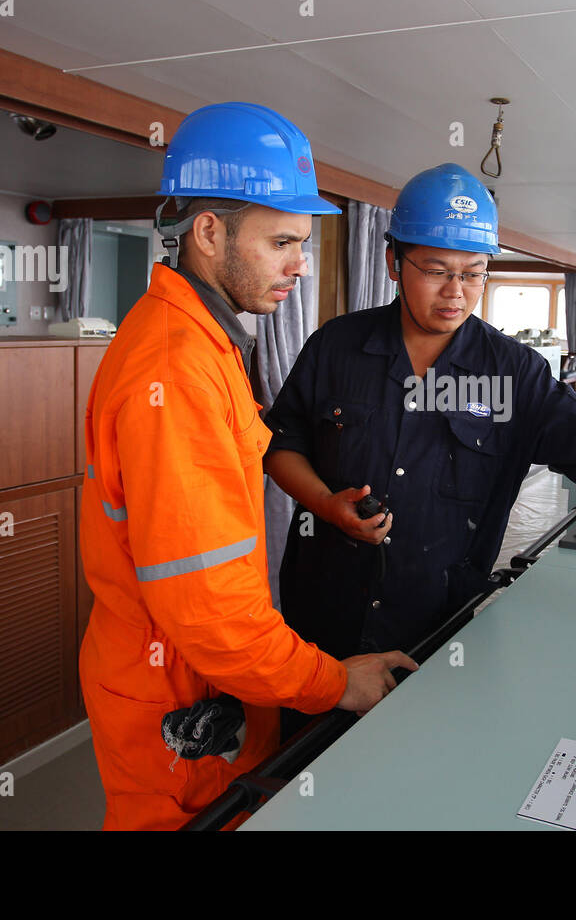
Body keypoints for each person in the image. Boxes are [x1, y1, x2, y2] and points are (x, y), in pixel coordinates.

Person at [264, 162, 576, 685]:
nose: (455, 292)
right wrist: (326, 505)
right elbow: (284, 444)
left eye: (472, 273)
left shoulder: (513, 373)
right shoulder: (336, 347)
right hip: (320, 621)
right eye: (436, 270)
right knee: (298, 754)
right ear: (394, 262)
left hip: (434, 633)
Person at [79, 103, 415, 830]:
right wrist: (331, 683)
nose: (301, 264)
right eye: (282, 242)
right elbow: (207, 611)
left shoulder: (206, 340)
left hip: (216, 682)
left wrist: (324, 503)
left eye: (304, 241)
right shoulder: (176, 369)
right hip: (179, 702)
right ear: (207, 232)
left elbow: (240, 469)